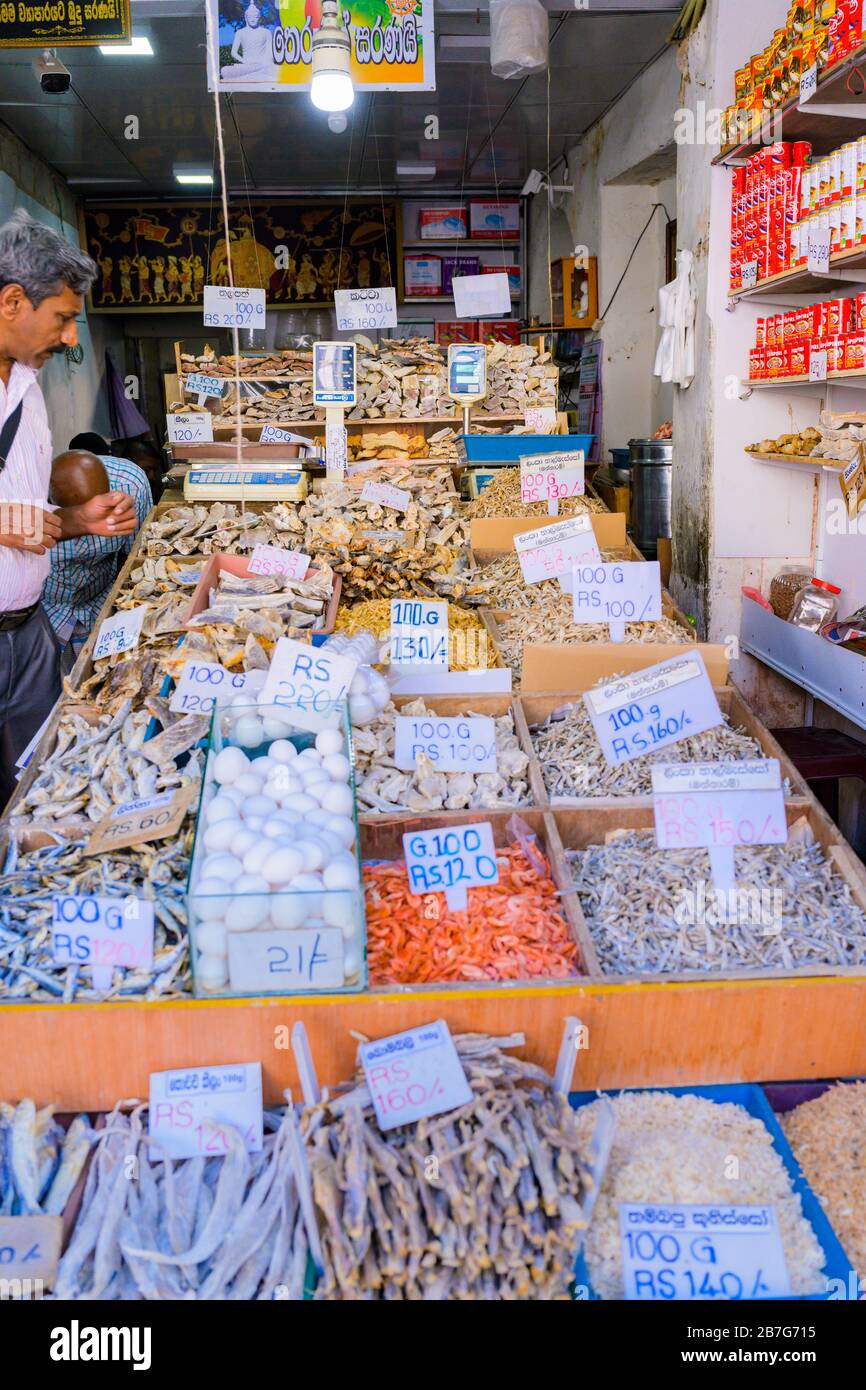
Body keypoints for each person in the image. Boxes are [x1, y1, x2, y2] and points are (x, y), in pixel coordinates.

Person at [0, 209, 137, 805]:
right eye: (63, 319)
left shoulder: (28, 393)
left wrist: (78, 522)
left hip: (29, 633)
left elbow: (25, 515)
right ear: (11, 303)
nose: (71, 337)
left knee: (37, 786)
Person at [43, 448, 152, 665]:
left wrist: (119, 608)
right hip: (46, 611)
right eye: (78, 516)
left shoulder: (130, 485)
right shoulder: (23, 506)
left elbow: (132, 558)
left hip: (101, 600)